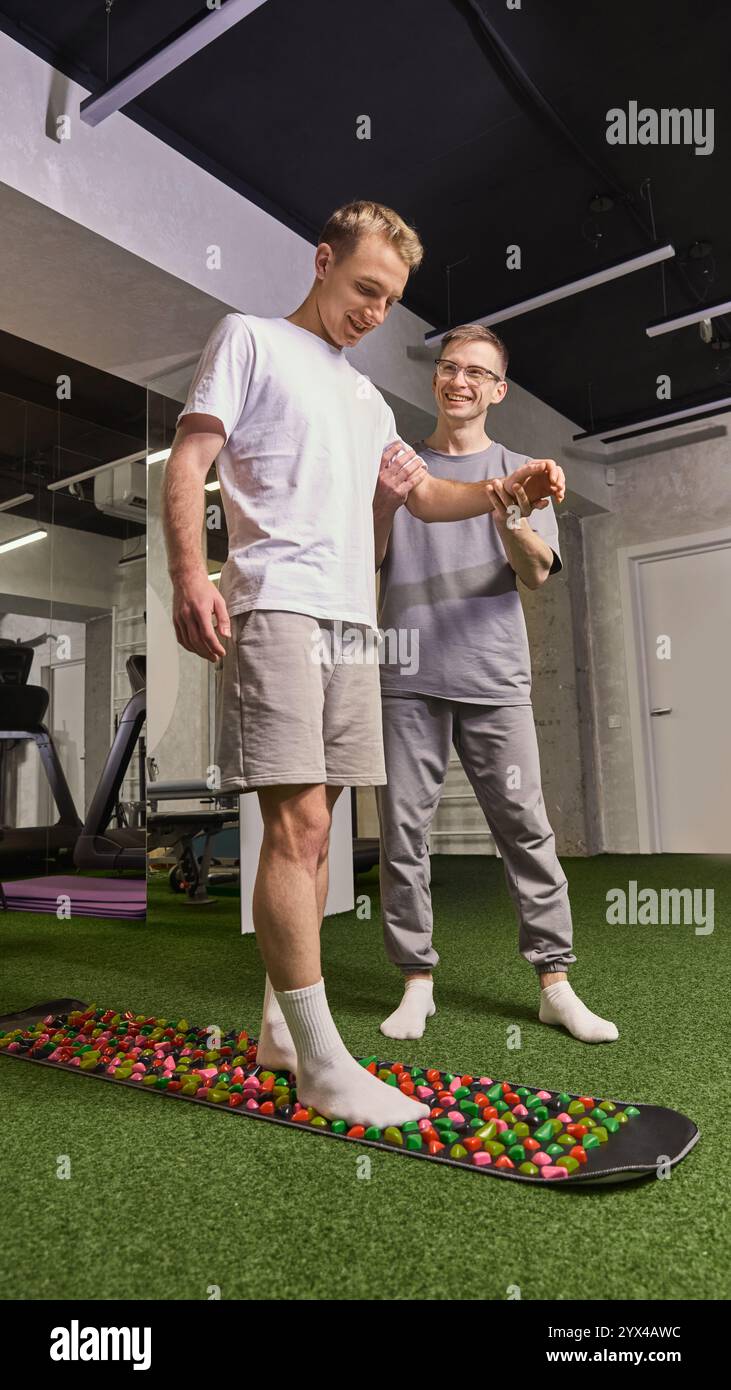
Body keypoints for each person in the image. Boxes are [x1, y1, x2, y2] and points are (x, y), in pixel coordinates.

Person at [162, 201, 565, 1128]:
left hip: (353, 623)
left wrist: (503, 488)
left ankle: (279, 1028)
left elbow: (423, 496)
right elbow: (189, 460)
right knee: (296, 824)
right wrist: (189, 573)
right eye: (364, 288)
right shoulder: (250, 338)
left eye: (389, 302)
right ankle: (322, 1062)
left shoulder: (369, 400)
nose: (374, 312)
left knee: (321, 834)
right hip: (278, 601)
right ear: (322, 261)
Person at [375, 323, 618, 1045]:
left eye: (477, 373)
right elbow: (369, 557)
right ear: (435, 378)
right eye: (450, 367)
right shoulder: (400, 466)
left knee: (525, 829)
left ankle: (554, 983)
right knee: (403, 835)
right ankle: (416, 983)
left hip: (493, 674)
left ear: (498, 390)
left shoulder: (521, 471)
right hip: (407, 675)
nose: (460, 381)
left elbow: (535, 571)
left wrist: (512, 510)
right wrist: (384, 502)